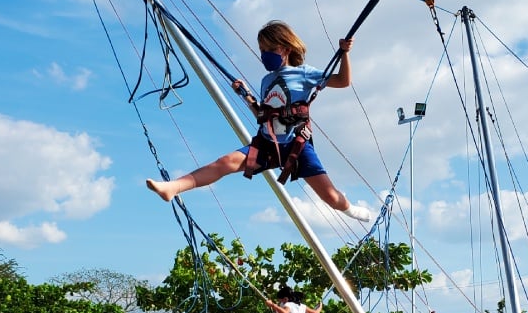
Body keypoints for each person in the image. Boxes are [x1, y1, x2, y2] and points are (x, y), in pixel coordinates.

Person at [146, 20, 373, 222]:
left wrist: (344, 54)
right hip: (266, 143)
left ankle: (352, 210)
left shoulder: (304, 73)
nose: (264, 54)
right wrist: (246, 96)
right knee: (224, 162)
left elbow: (343, 81)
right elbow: (263, 118)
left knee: (331, 197)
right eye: (262, 50)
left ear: (285, 48)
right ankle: (173, 187)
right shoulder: (266, 80)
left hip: (296, 145)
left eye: (269, 49)